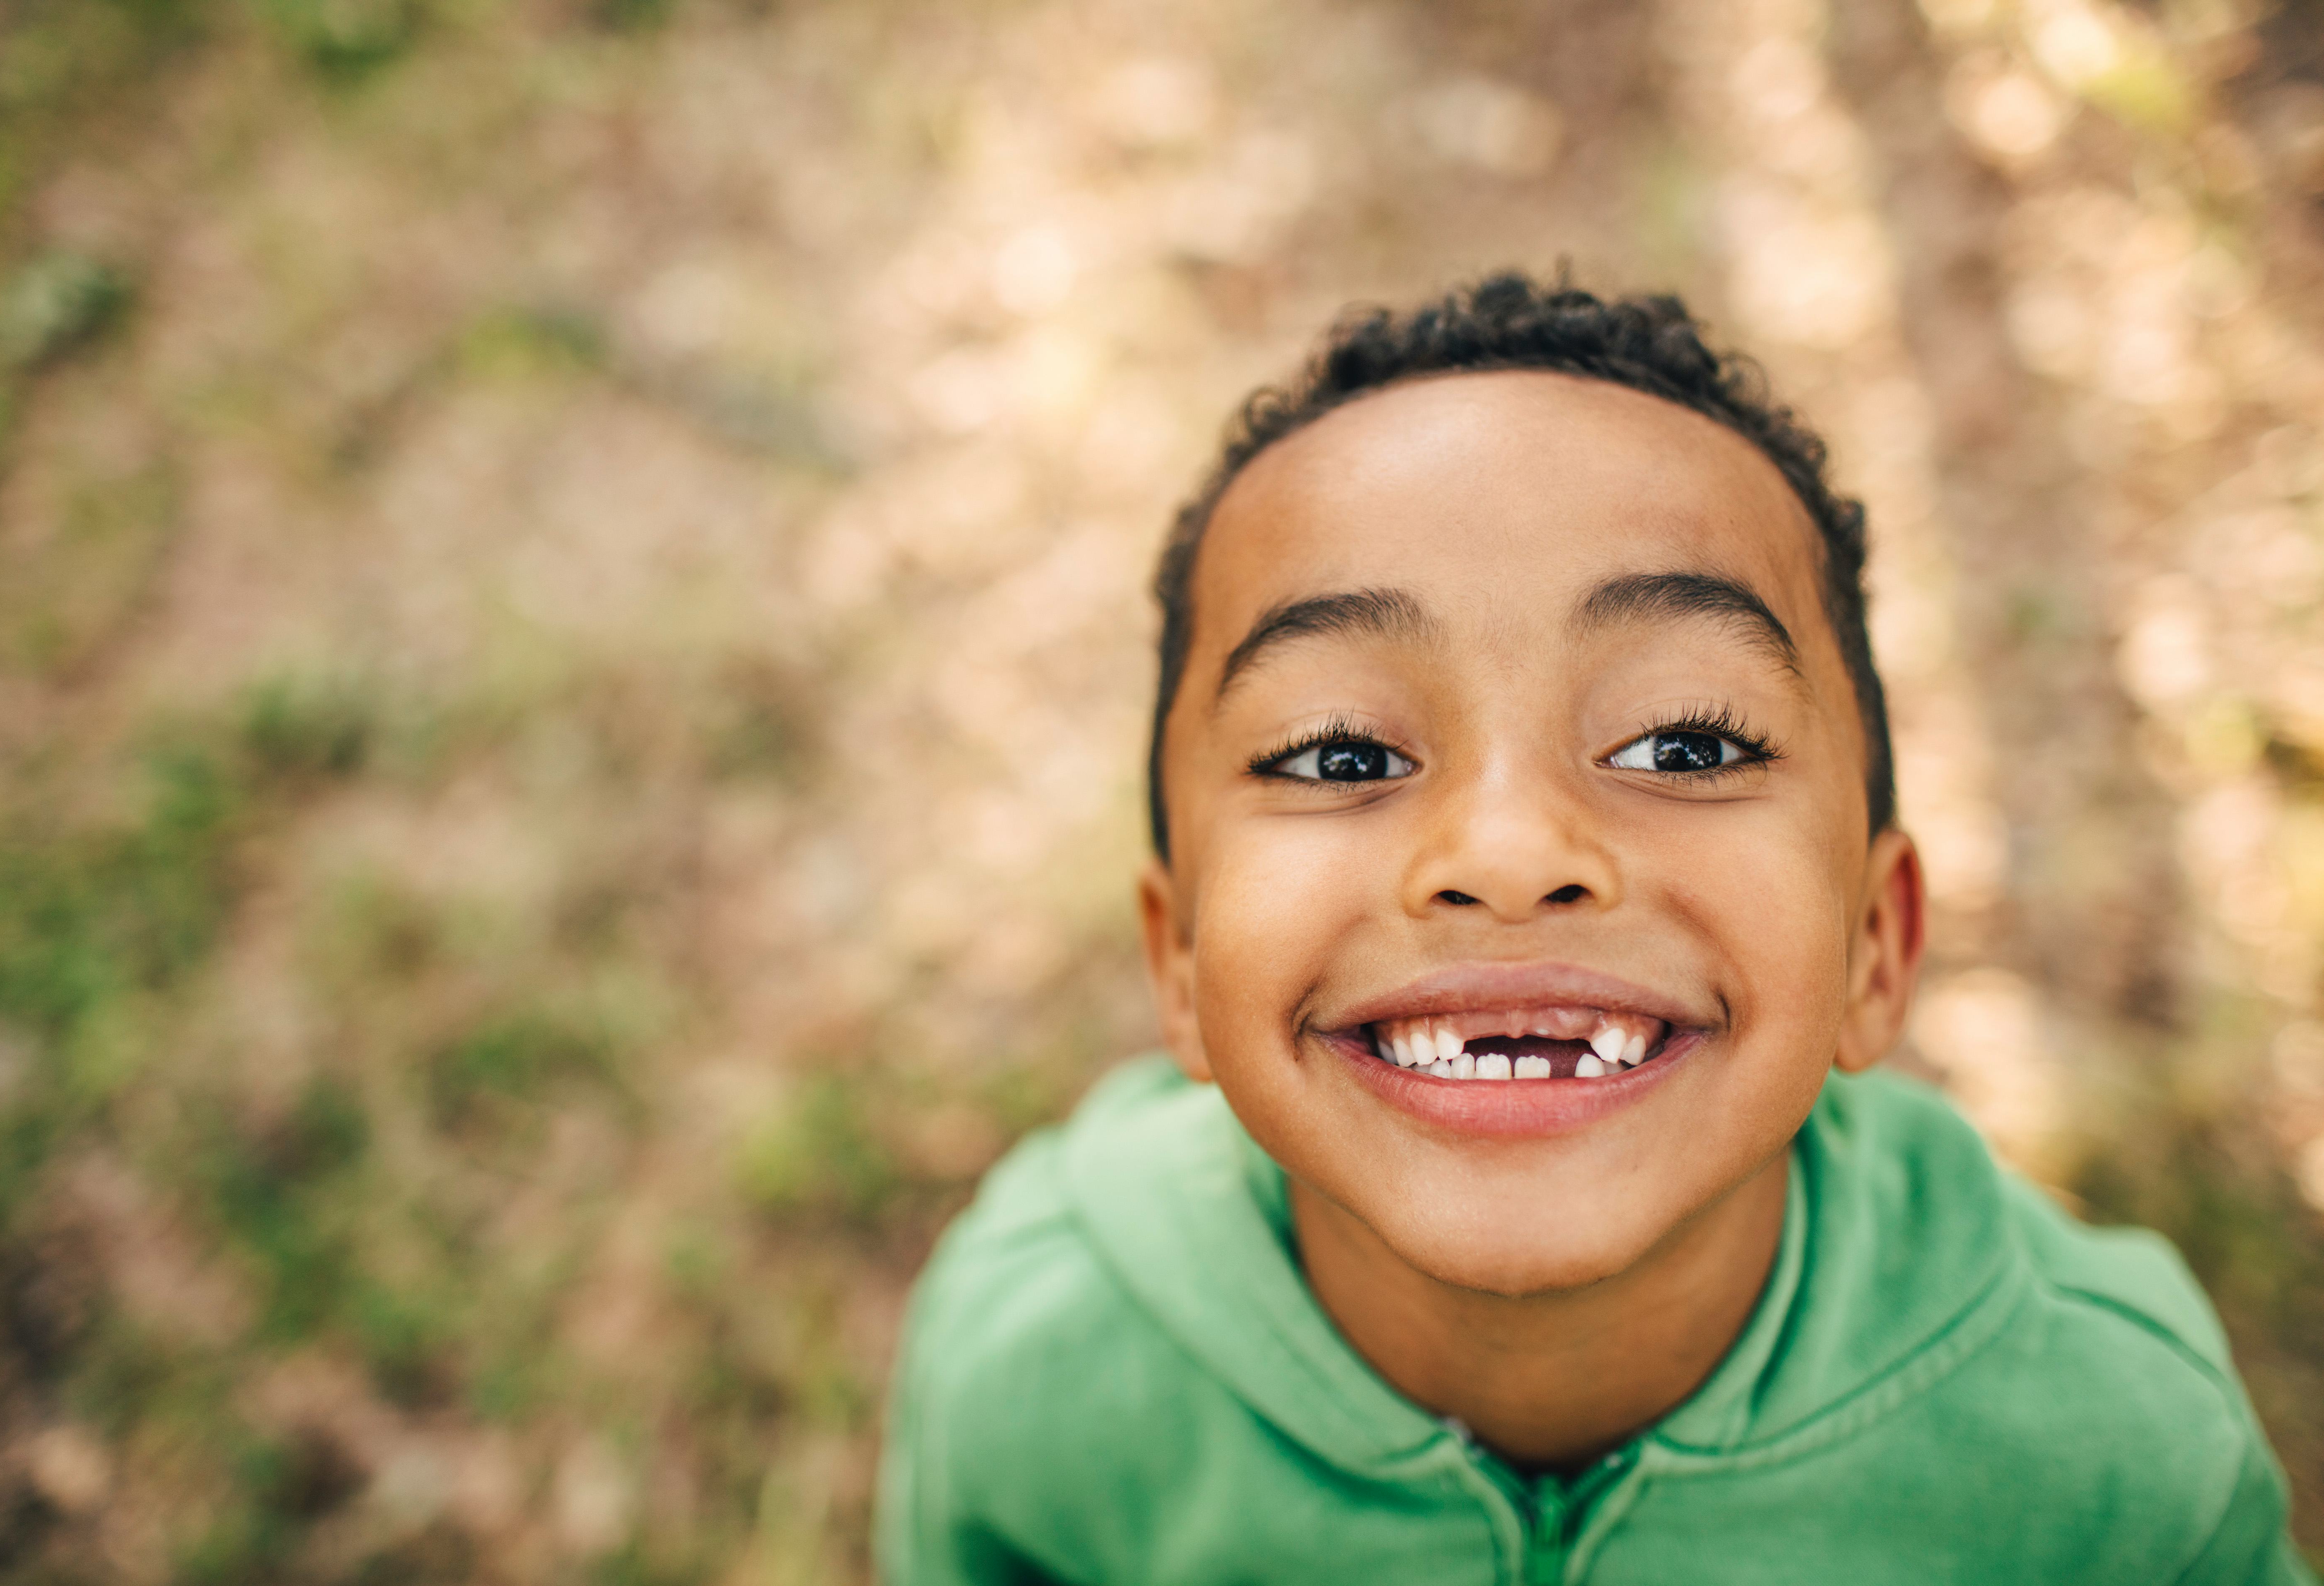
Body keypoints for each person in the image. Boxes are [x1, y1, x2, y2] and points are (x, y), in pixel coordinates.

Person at [874, 274, 2316, 1584]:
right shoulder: (1032, 1361)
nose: (1508, 855)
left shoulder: (2112, 1462)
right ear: (1176, 962)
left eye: (1683, 744)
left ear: (1876, 945)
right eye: (1337, 756)